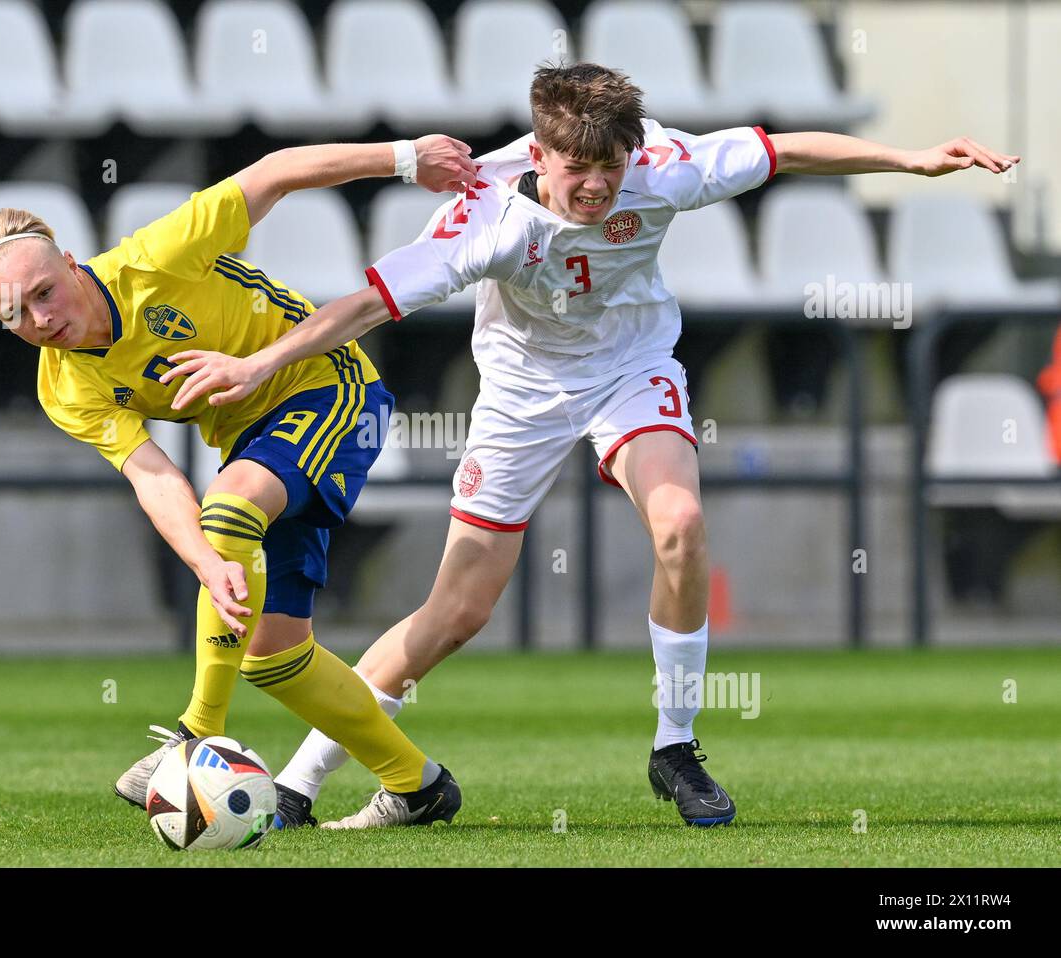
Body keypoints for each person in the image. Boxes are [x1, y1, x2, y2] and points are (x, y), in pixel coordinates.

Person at [158, 63, 1021, 828]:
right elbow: (362, 306)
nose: (599, 190)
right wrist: (260, 361)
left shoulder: (664, 166)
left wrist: (909, 159)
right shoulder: (481, 219)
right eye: (580, 171)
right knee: (457, 614)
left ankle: (675, 748)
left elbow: (785, 149)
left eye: (611, 170)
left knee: (679, 523)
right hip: (522, 399)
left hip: (631, 369)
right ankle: (305, 783)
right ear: (540, 154)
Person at [0, 135, 479, 830]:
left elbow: (275, 172)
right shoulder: (63, 387)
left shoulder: (157, 256)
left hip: (327, 385)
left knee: (229, 507)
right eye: (14, 314)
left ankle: (196, 731)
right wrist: (204, 561)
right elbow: (153, 475)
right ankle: (417, 787)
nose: (40, 320)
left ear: (74, 265)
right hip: (250, 440)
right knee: (273, 656)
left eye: (44, 292)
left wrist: (407, 159)